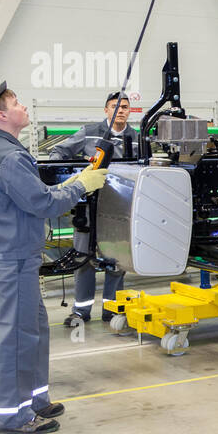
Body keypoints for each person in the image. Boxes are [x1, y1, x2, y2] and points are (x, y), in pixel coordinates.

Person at [0, 82, 107, 434]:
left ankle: (36, 399)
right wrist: (82, 185)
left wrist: (73, 181)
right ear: (1, 115)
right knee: (15, 336)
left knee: (35, 329)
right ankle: (12, 416)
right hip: (10, 257)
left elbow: (32, 196)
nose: (22, 106)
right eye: (16, 103)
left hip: (8, 253)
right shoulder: (8, 157)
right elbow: (44, 204)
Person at [48, 92, 137, 327]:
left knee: (117, 259)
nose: (121, 110)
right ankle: (81, 311)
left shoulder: (136, 137)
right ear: (106, 110)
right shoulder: (89, 132)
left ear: (130, 111)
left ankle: (111, 309)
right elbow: (58, 153)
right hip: (88, 207)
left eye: (125, 107)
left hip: (119, 209)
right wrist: (78, 173)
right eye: (115, 106)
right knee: (84, 257)